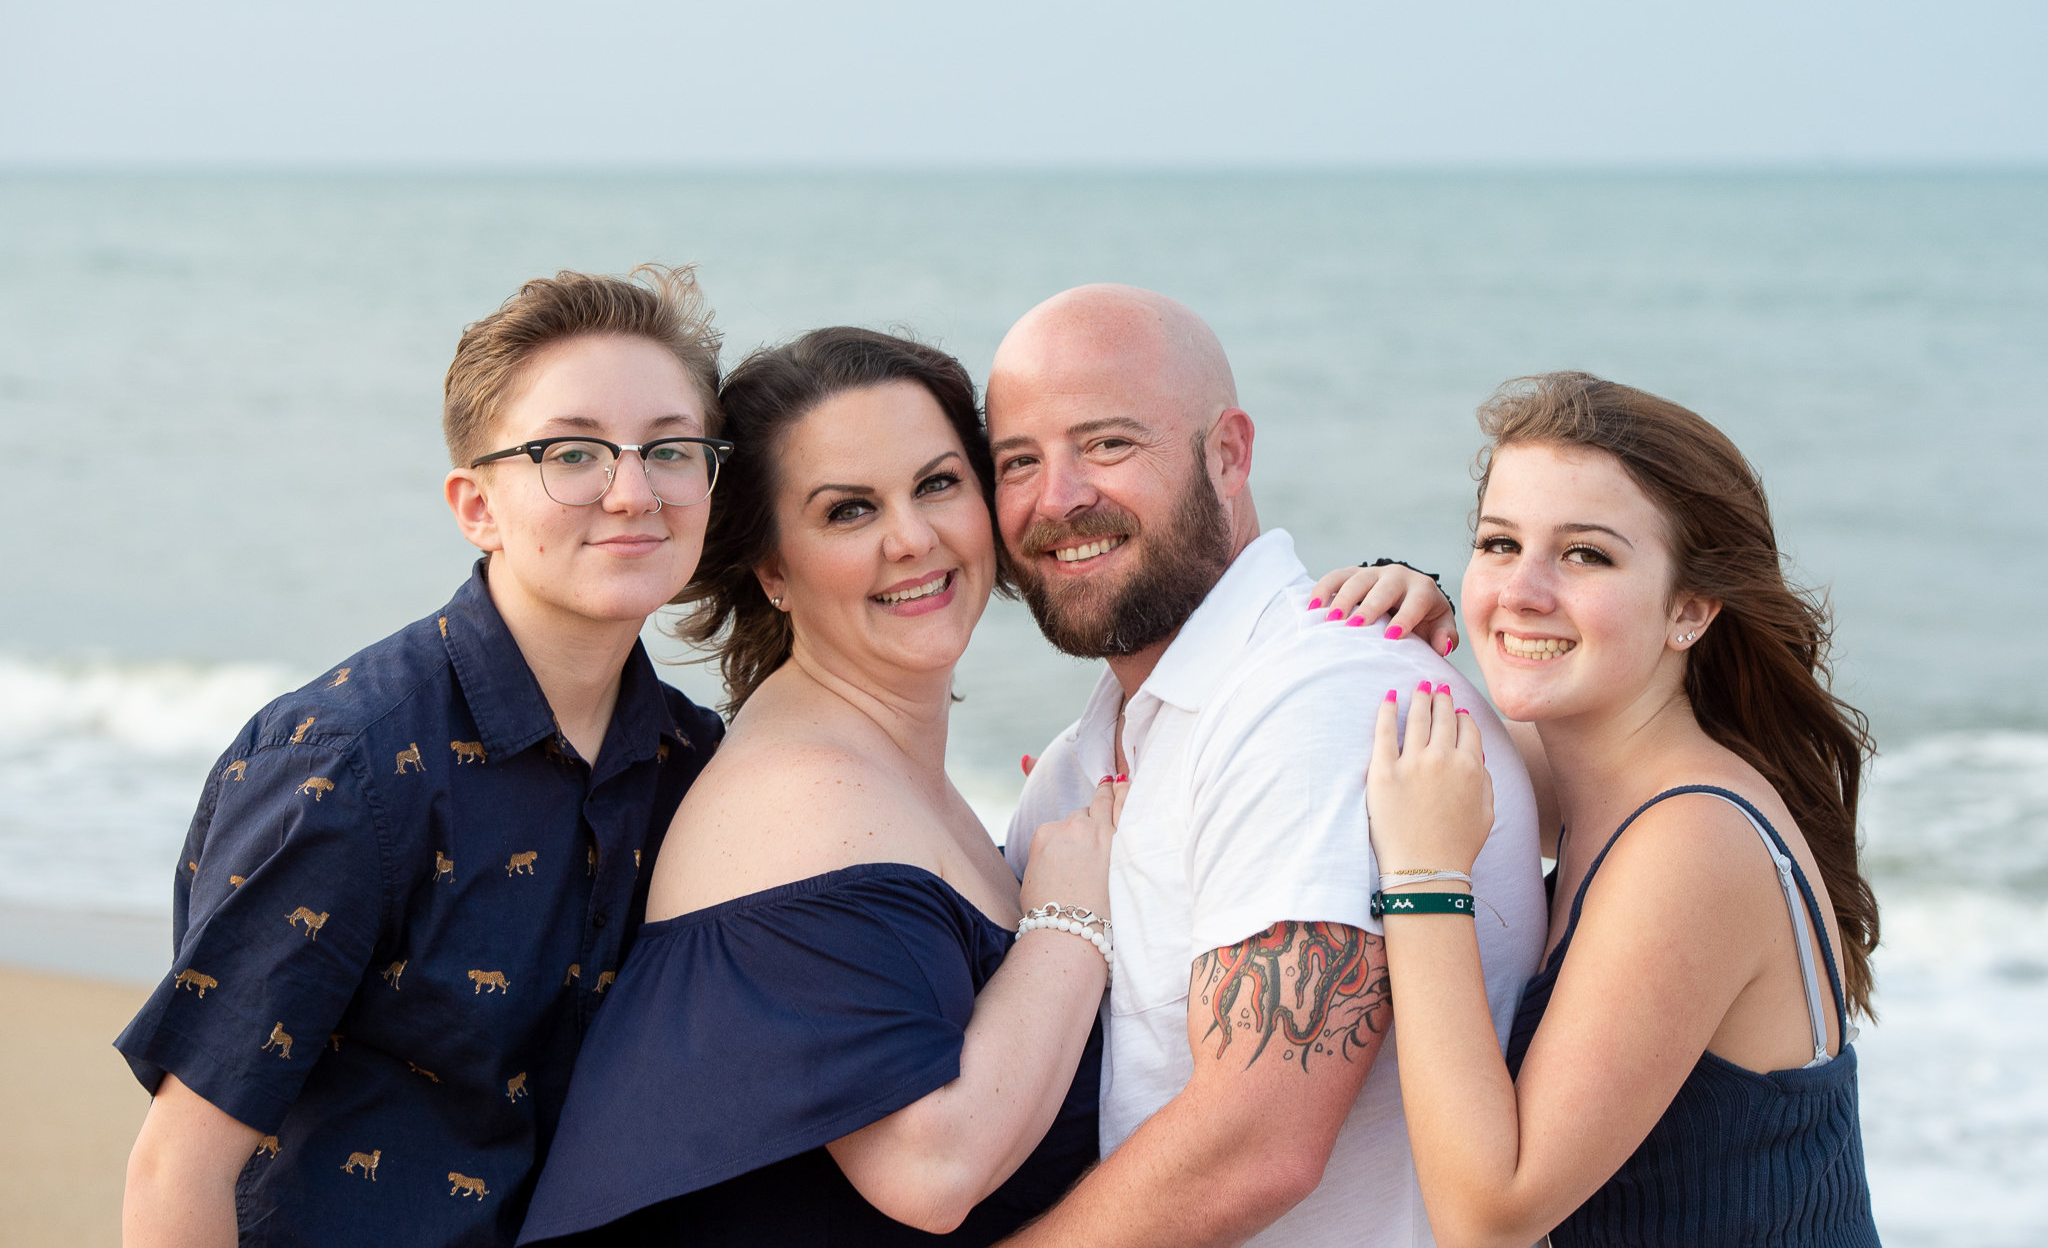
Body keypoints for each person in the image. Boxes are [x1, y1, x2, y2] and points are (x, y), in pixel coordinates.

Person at [516, 327, 1458, 1246]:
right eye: (849, 510)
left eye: (938, 484)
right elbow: (930, 1169)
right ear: (774, 571)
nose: (912, 539)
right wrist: (1067, 924)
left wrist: (1342, 616)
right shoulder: (801, 799)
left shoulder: (935, 776)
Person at [117, 267, 730, 1248]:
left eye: (668, 448)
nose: (631, 490)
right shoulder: (342, 767)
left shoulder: (696, 763)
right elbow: (173, 1173)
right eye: (570, 453)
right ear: (475, 505)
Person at [990, 285, 1547, 1248]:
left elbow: (1258, 1145)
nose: (1060, 496)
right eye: (1018, 462)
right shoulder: (1091, 759)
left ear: (1229, 454)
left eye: (1109, 444)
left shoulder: (1314, 697)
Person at [1362, 371, 1881, 1247]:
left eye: (1586, 554)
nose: (1522, 590)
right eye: (1497, 544)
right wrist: (1381, 618)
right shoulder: (1591, 772)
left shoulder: (1693, 842)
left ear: (1689, 609)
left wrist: (1425, 878)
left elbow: (1489, 1216)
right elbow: (1439, 745)